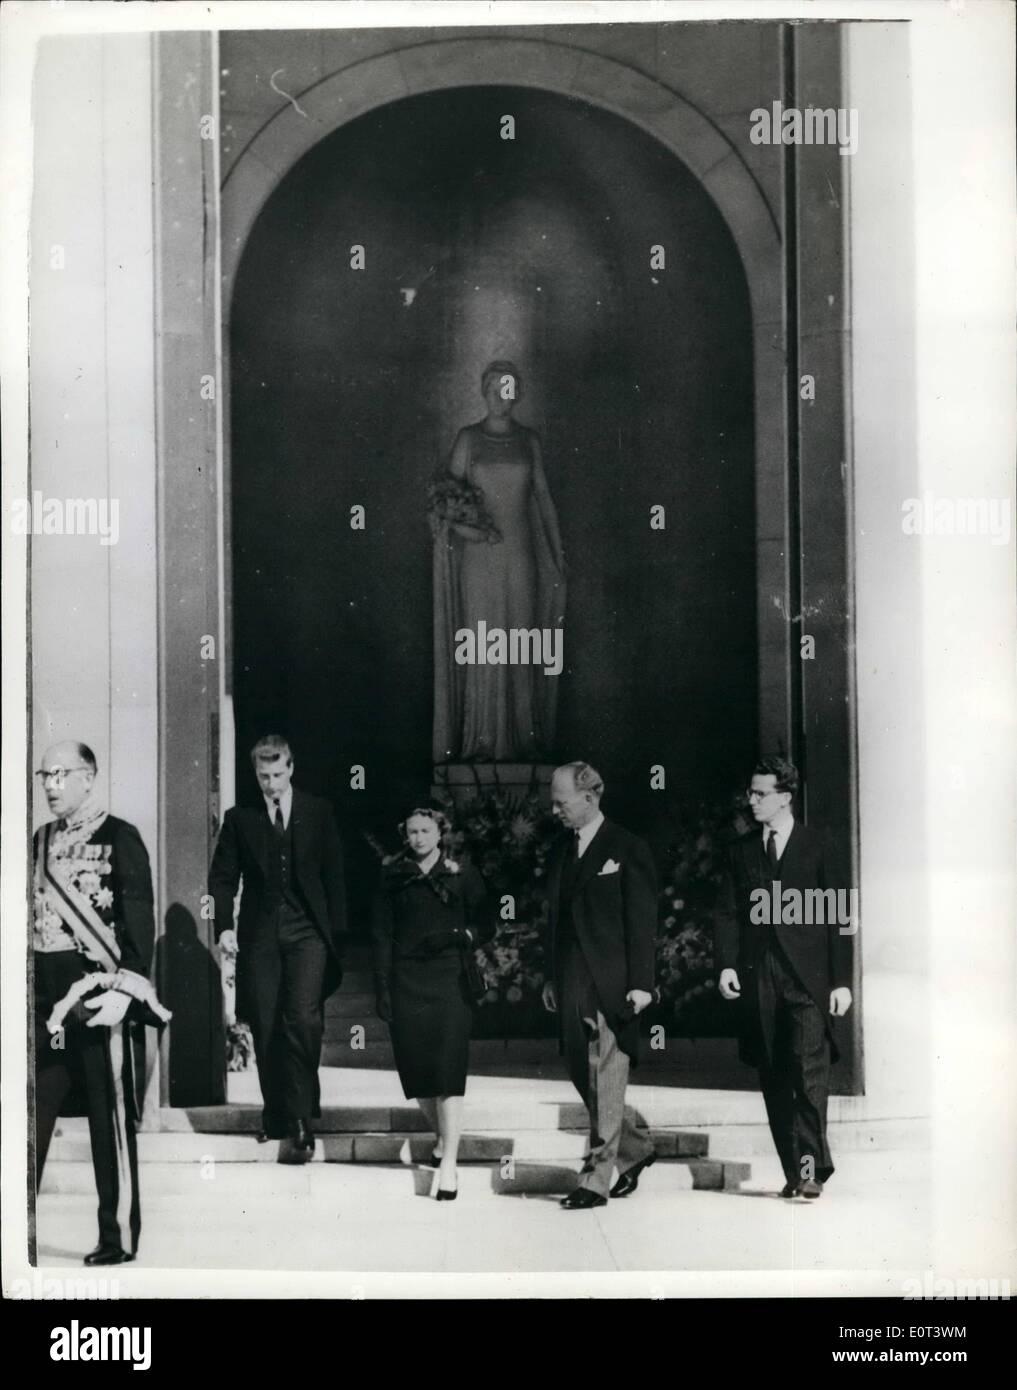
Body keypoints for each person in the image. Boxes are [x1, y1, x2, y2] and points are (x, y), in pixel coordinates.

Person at [33, 741, 169, 1266]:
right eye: (45, 774)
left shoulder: (120, 837)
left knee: (107, 1120)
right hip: (47, 999)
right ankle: (16, 1230)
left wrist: (127, 989)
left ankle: (118, 1235)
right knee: (33, 1116)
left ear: (88, 777)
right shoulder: (39, 841)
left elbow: (139, 924)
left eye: (60, 774)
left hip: (96, 997)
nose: (49, 784)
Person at [715, 756, 853, 1199]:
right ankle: (795, 1172)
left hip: (807, 978)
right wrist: (727, 965)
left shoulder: (818, 846)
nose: (751, 800)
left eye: (761, 793)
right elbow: (727, 914)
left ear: (785, 797)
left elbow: (839, 915)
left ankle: (811, 1169)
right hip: (760, 977)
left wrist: (841, 980)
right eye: (751, 792)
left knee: (808, 1073)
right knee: (774, 1072)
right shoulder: (739, 851)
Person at [208, 735, 346, 1162]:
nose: (271, 783)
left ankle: (302, 1118)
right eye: (263, 776)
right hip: (261, 932)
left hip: (308, 933)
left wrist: (336, 937)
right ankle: (276, 1111)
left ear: (291, 768)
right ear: (256, 774)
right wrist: (224, 928)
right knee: (266, 1022)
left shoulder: (318, 812)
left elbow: (335, 878)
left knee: (303, 1020)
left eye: (278, 774)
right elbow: (222, 879)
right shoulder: (239, 819)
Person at [432, 359, 567, 763]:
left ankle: (522, 740)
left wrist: (558, 553)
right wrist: (472, 530)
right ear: (483, 390)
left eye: (507, 388)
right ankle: (483, 740)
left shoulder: (529, 440)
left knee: (520, 641)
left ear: (517, 393)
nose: (499, 395)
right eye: (493, 387)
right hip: (480, 556)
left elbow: (542, 498)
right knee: (484, 641)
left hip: (520, 551)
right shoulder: (468, 439)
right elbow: (445, 501)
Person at [541, 762, 658, 1209]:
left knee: (606, 1073)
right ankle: (636, 1147)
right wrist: (552, 975)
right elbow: (553, 919)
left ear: (590, 798)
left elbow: (642, 921)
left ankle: (594, 1179)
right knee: (582, 1072)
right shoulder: (559, 851)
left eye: (561, 802)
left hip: (613, 981)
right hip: (571, 979)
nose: (555, 810)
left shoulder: (628, 847)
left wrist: (642, 983)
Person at [371, 807, 493, 1200]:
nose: (419, 837)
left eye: (426, 830)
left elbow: (487, 921)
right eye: (412, 831)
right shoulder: (393, 878)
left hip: (451, 981)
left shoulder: (462, 874)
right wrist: (383, 987)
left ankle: (450, 1165)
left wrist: (463, 936)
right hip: (407, 980)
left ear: (441, 833)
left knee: (448, 1067)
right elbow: (380, 934)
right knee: (418, 1069)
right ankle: (442, 1137)